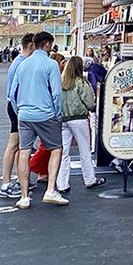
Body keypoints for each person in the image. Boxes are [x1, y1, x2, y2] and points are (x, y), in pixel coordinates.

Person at [10, 31, 68, 208]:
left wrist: (19, 111)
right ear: (48, 44)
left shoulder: (22, 65)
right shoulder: (51, 64)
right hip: (45, 114)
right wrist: (57, 114)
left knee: (24, 152)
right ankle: (50, 190)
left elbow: (12, 94)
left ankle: (24, 196)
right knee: (56, 149)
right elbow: (57, 94)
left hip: (24, 114)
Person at [56, 56, 105, 193]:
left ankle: (62, 184)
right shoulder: (81, 82)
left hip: (63, 119)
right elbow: (90, 103)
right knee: (84, 150)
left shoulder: (60, 81)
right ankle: (90, 180)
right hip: (79, 119)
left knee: (63, 152)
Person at [0, 33, 35, 199]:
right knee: (14, 145)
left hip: (16, 107)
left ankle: (22, 179)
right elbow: (14, 92)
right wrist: (20, 112)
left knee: (21, 145)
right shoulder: (21, 64)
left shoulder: (19, 62)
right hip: (16, 107)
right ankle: (6, 184)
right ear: (31, 46)